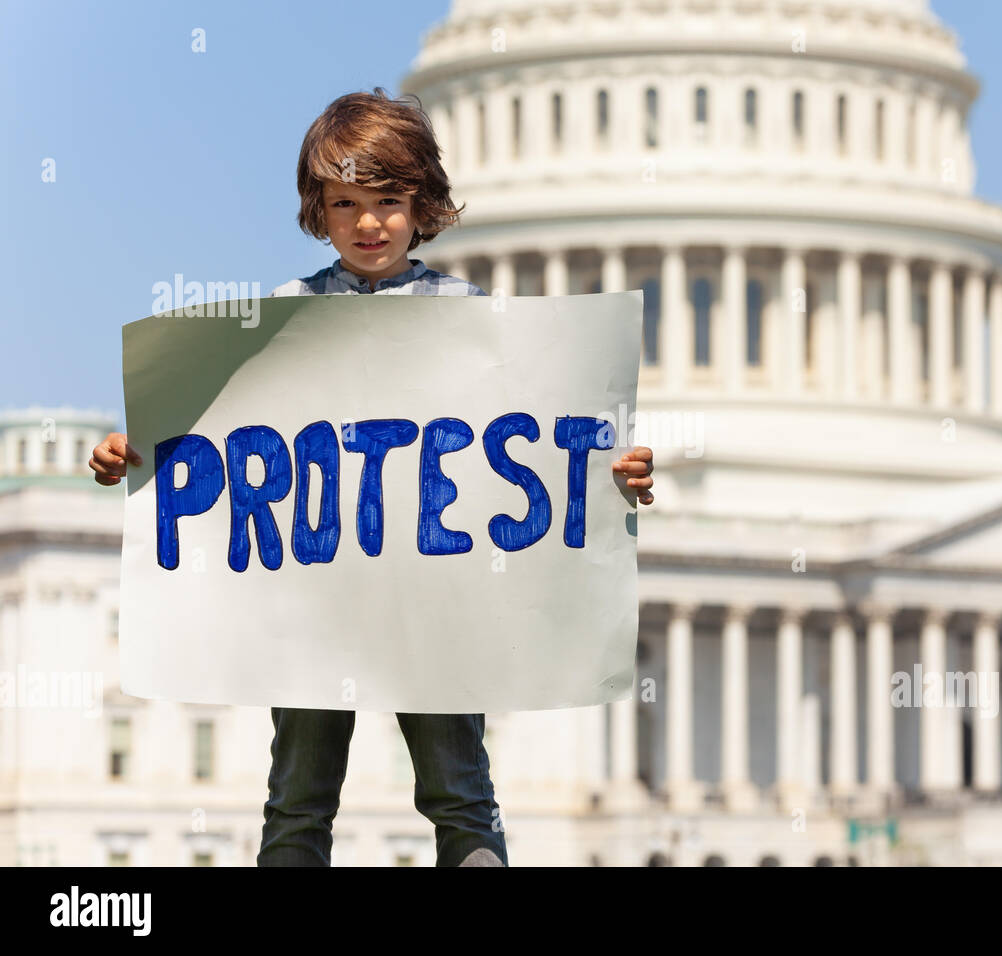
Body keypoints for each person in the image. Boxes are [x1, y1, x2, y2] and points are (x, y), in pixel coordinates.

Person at [88, 88, 656, 867]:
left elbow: (538, 439)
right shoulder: (281, 319)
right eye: (345, 202)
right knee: (297, 797)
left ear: (424, 205)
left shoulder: (476, 318)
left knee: (461, 792)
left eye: (387, 200)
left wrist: (609, 473)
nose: (367, 222)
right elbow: (214, 430)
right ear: (317, 213)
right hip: (315, 602)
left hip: (437, 597)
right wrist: (140, 448)